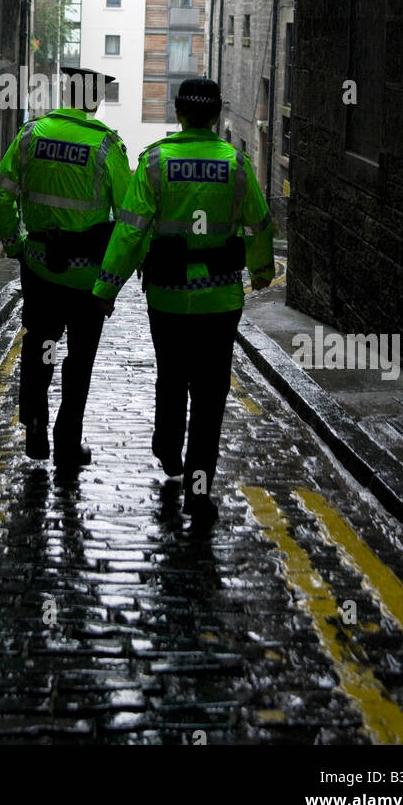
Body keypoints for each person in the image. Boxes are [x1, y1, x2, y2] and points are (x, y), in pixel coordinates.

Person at [92, 76, 275, 530]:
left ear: (179, 114)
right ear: (215, 116)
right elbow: (259, 223)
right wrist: (262, 271)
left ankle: (168, 446)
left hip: (169, 298)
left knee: (172, 375)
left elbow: (130, 230)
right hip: (220, 300)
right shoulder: (235, 163)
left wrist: (106, 288)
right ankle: (198, 491)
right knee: (211, 395)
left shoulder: (155, 162)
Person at [0, 66, 131, 467]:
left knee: (40, 347)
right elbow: (129, 222)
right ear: (94, 100)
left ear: (67, 94)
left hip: (39, 271)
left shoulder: (31, 135)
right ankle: (67, 440)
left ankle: (34, 425)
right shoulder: (105, 147)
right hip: (86, 281)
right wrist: (112, 282)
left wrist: (15, 244)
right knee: (79, 360)